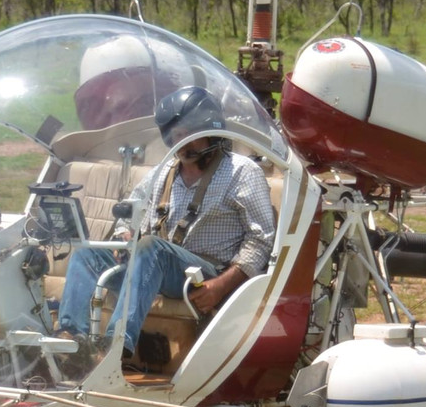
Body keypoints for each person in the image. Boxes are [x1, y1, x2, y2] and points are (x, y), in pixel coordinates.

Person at [56, 86, 274, 365]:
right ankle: (70, 342)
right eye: (176, 137)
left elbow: (261, 240)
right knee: (88, 256)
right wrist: (125, 232)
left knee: (152, 249)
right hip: (153, 266)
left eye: (189, 135)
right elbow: (130, 210)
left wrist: (220, 285)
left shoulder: (242, 171)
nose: (183, 144)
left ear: (210, 131)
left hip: (201, 273)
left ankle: (113, 349)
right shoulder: (164, 171)